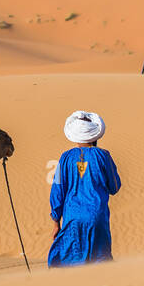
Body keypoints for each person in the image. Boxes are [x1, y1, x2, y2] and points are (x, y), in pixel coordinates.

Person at [47, 111, 122, 268]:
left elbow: (57, 191)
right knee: (100, 263)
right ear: (95, 136)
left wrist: (55, 222)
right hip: (97, 217)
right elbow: (114, 187)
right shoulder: (103, 156)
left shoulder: (65, 158)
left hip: (72, 218)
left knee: (67, 263)